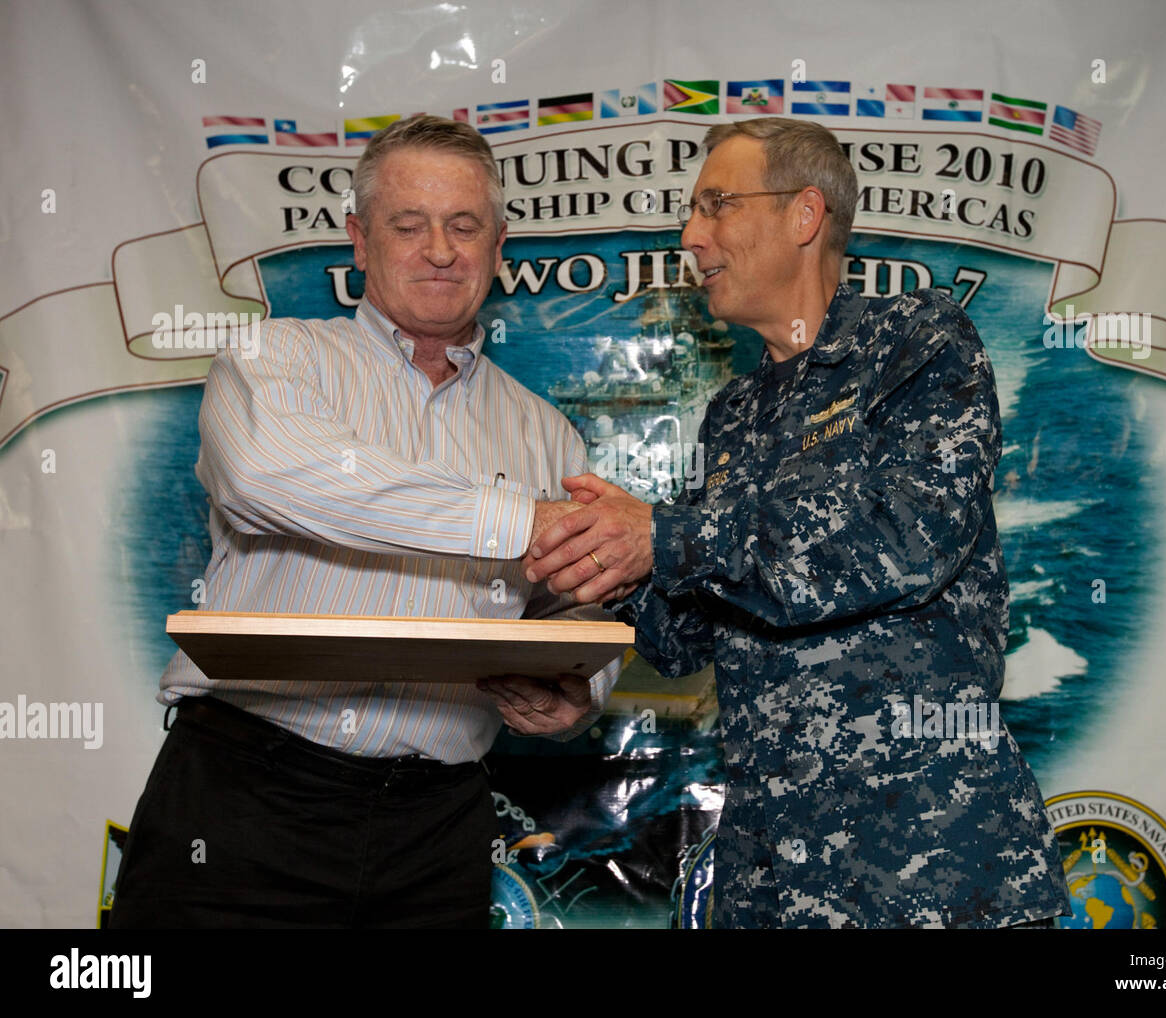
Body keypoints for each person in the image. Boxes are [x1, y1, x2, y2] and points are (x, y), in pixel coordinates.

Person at [525, 117, 1072, 928]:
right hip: (772, 875)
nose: (691, 234)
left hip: (932, 869)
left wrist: (666, 537)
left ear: (804, 214)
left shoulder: (916, 341)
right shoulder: (734, 416)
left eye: (717, 205)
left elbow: (907, 539)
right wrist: (603, 561)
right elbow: (688, 640)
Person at [109, 116, 618, 929]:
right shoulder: (273, 360)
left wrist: (583, 687)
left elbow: (578, 599)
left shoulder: (545, 433)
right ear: (358, 238)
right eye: (408, 225)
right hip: (248, 802)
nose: (440, 250)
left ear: (499, 244)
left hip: (439, 828)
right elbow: (270, 475)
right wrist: (519, 520)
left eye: (464, 226)